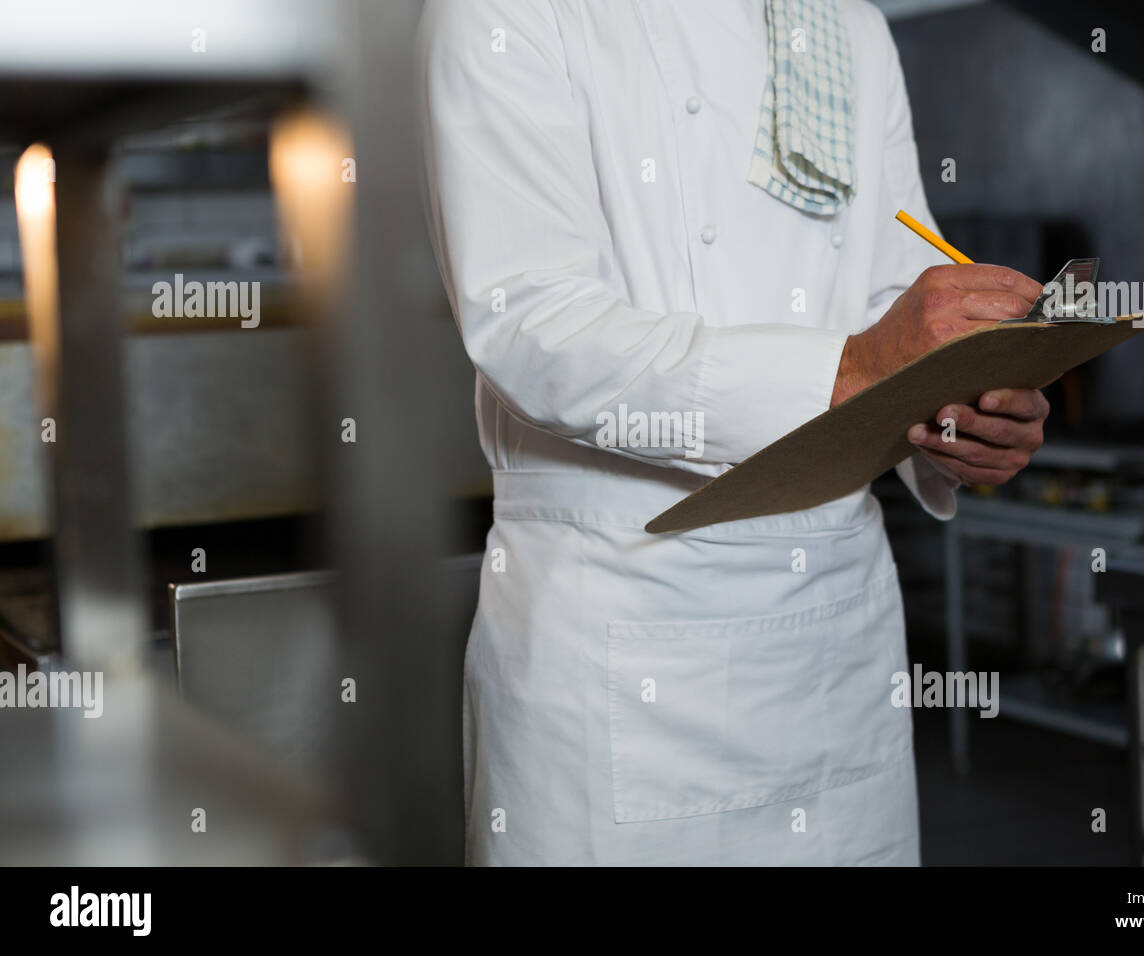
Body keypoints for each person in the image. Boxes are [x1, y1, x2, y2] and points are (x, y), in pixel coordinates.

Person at [420, 0, 1048, 865]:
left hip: (833, 631)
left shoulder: (848, 25)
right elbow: (534, 327)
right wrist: (860, 367)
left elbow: (895, 294)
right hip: (617, 628)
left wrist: (961, 407)